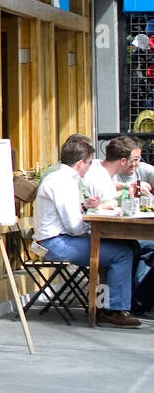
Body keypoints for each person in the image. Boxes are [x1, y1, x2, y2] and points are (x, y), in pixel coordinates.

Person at [34, 134, 139, 328]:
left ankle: (106, 306)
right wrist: (90, 228)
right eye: (90, 163)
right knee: (121, 254)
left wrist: (84, 207)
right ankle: (110, 310)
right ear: (81, 163)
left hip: (53, 240)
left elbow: (67, 216)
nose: (90, 167)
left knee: (120, 248)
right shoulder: (62, 182)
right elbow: (73, 226)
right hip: (53, 244)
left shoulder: (61, 178)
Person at [84, 136, 146, 206]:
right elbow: (104, 212)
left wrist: (128, 186)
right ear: (123, 161)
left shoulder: (95, 165)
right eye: (135, 160)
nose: (137, 164)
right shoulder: (103, 182)